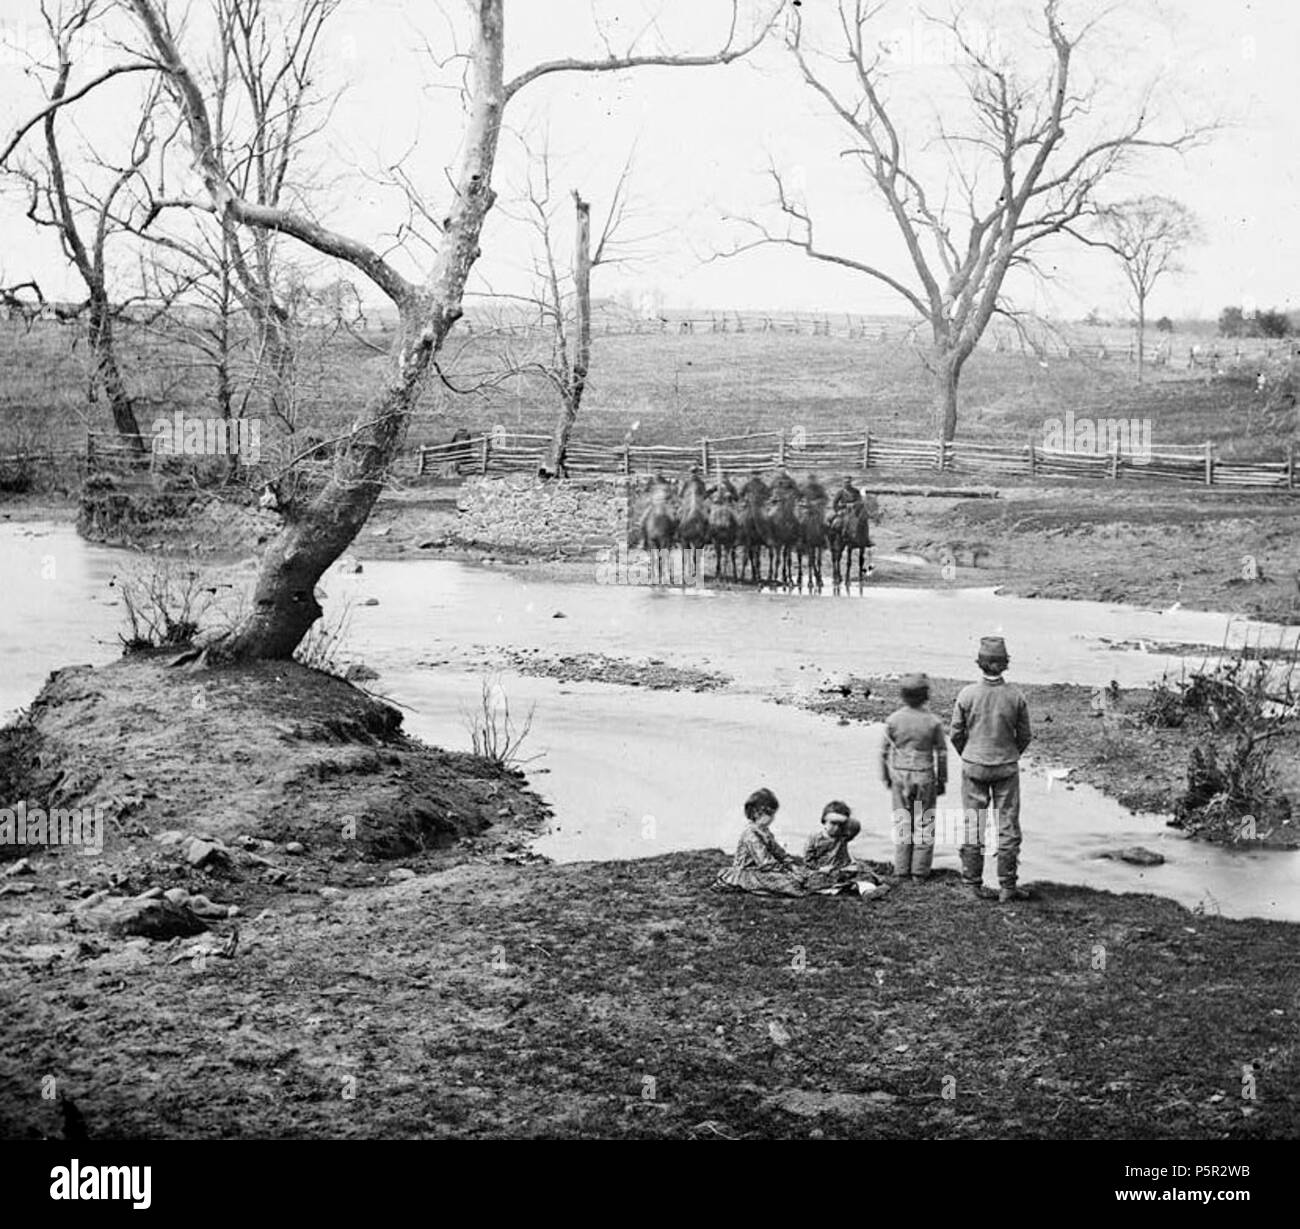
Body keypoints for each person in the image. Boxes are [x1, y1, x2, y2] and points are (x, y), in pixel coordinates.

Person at [950, 636, 1033, 903]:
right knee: (1007, 823)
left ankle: (971, 884)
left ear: (980, 664)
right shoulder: (1016, 695)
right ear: (1005, 665)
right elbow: (1025, 735)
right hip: (1006, 765)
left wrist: (971, 755)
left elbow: (955, 734)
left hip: (974, 764)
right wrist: (1010, 755)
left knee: (973, 823)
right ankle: (1007, 886)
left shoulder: (967, 694)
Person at [881, 673, 947, 881]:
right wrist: (942, 780)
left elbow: (884, 753)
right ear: (926, 696)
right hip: (924, 775)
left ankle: (901, 869)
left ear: (902, 696)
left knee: (902, 821)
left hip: (900, 775)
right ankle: (919, 871)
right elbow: (942, 753)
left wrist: (886, 777)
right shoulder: (933, 722)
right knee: (924, 823)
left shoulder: (893, 720)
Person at [713, 788, 809, 897]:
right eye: (769, 814)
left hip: (761, 871)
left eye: (773, 814)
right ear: (756, 813)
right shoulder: (750, 834)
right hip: (748, 873)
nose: (773, 818)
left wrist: (792, 866)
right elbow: (765, 863)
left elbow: (778, 852)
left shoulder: (765, 831)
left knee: (797, 877)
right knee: (788, 882)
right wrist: (787, 872)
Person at [803, 801, 885, 895]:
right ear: (824, 820)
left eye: (841, 825)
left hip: (842, 870)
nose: (837, 828)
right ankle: (842, 888)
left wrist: (844, 820)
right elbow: (808, 860)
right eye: (833, 823)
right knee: (815, 881)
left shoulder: (843, 836)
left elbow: (856, 825)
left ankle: (868, 892)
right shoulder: (814, 838)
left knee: (864, 875)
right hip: (823, 871)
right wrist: (820, 868)